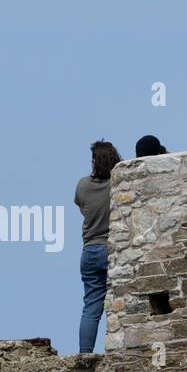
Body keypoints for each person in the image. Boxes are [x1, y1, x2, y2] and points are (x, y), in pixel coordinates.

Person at [75, 140, 121, 354]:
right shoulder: (118, 184)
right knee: (120, 302)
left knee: (91, 308)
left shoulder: (83, 185)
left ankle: (85, 354)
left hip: (89, 251)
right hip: (111, 250)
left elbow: (81, 205)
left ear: (95, 162)